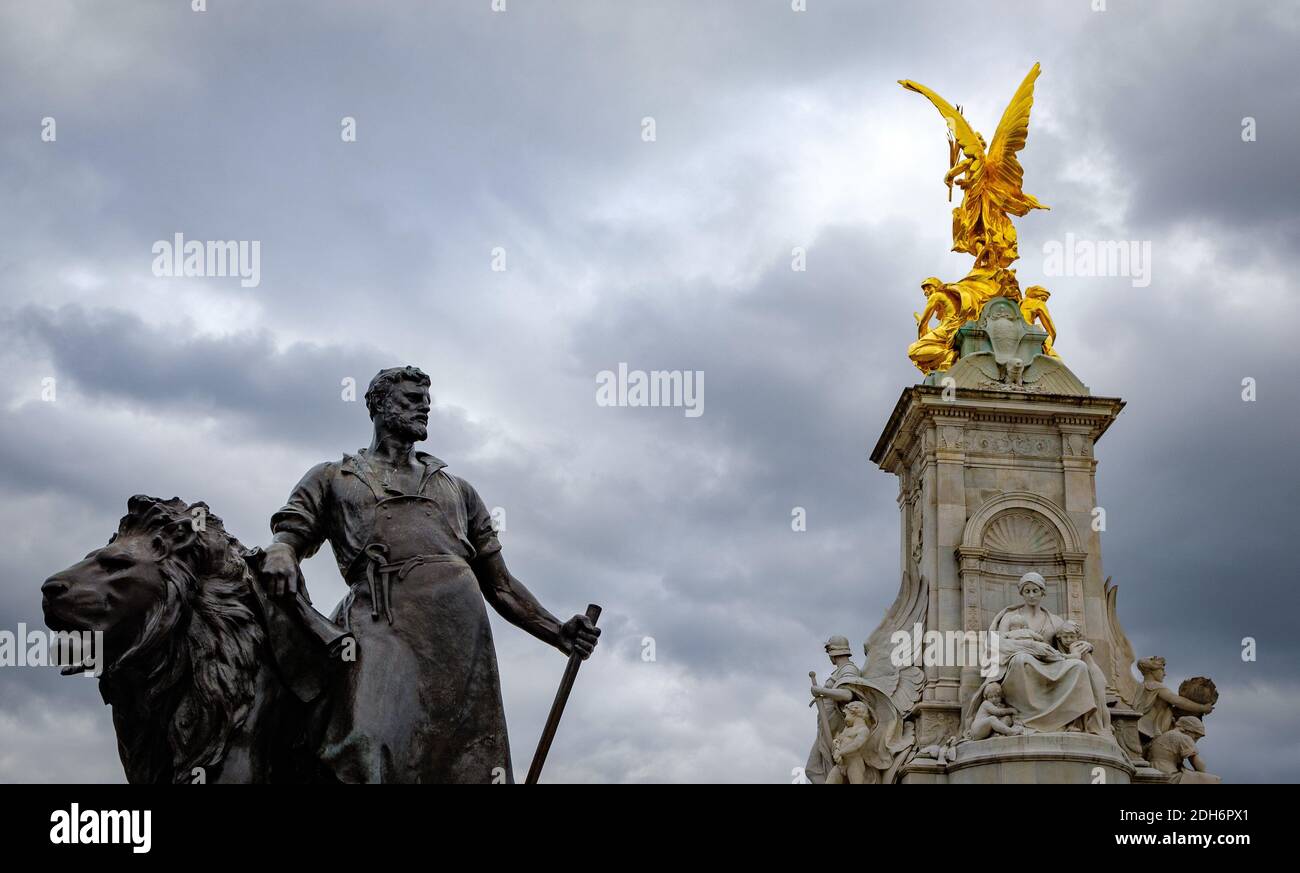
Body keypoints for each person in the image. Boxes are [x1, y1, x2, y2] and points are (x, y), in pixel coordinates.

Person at [261, 366, 599, 783]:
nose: (423, 408)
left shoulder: (458, 488)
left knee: (469, 764)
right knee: (364, 741)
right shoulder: (334, 476)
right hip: (381, 627)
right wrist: (281, 550)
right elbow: (292, 531)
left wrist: (557, 631)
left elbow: (501, 584)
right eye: (411, 400)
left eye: (426, 402)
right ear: (379, 406)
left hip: (460, 639)